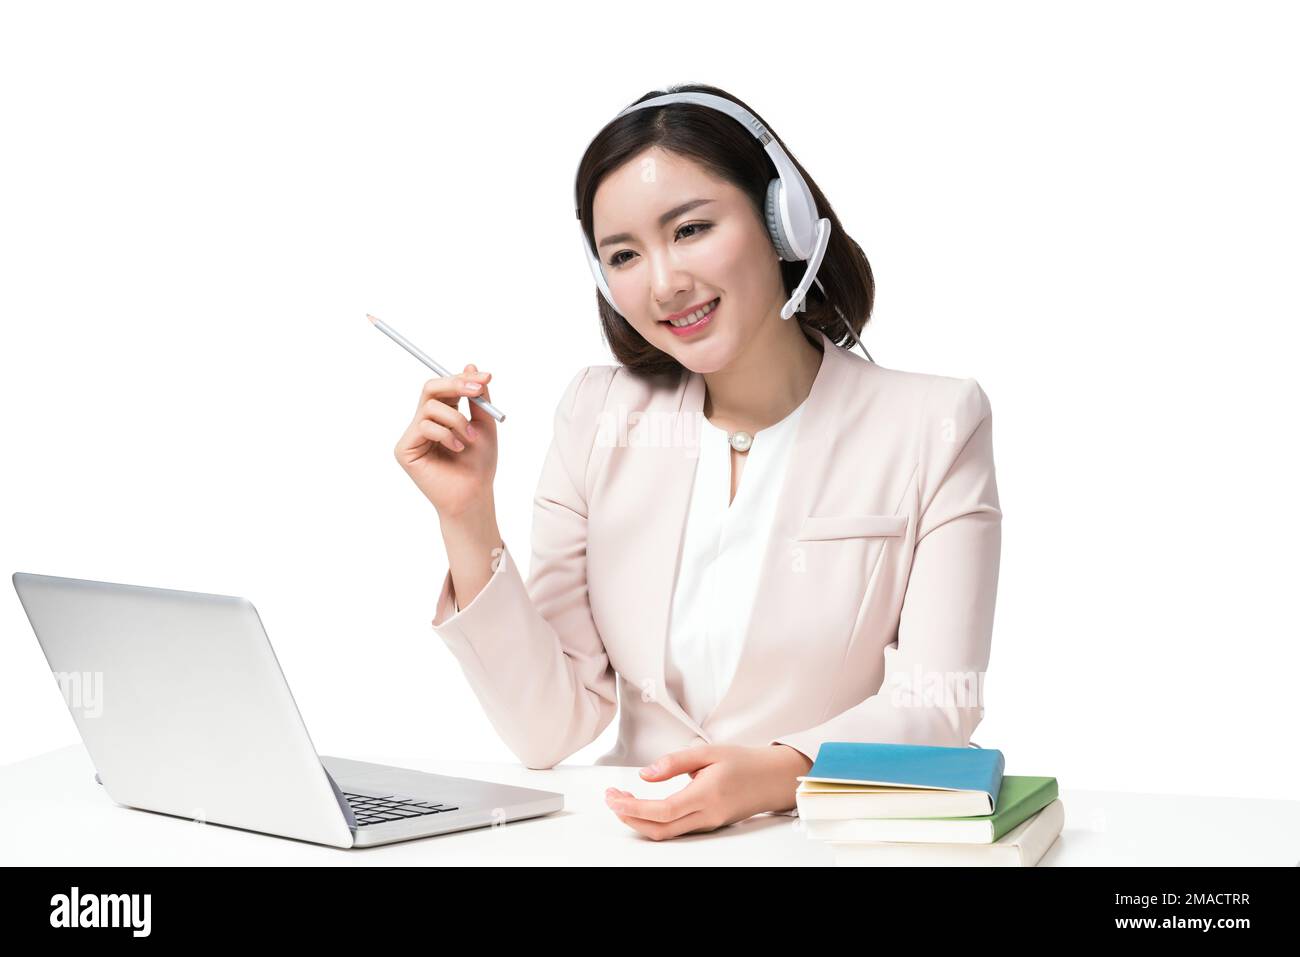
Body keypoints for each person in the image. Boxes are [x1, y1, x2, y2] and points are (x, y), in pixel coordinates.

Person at [392, 83, 1002, 842]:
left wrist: (773, 775)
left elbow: (942, 700)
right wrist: (466, 512)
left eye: (691, 229)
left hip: (838, 842)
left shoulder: (934, 422)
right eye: (623, 254)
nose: (663, 282)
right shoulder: (596, 416)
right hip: (635, 843)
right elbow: (546, 727)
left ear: (785, 219)